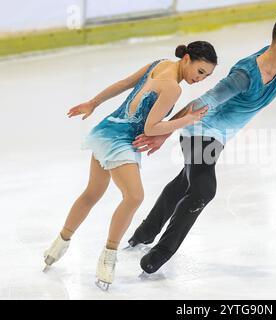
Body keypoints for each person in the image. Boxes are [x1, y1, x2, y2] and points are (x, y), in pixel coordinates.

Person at [128, 13, 276, 276]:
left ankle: (144, 233)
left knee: (185, 182)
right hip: (199, 130)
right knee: (203, 190)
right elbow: (205, 101)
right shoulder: (245, 75)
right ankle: (158, 255)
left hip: (218, 136)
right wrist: (164, 131)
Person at [43, 41, 217, 290]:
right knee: (134, 196)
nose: (201, 79)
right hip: (119, 140)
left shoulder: (160, 64)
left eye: (206, 76)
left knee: (92, 193)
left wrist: (94, 102)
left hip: (107, 128)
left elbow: (124, 83)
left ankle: (59, 243)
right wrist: (187, 119)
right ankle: (108, 255)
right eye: (200, 71)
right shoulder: (172, 88)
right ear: (187, 59)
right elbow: (150, 128)